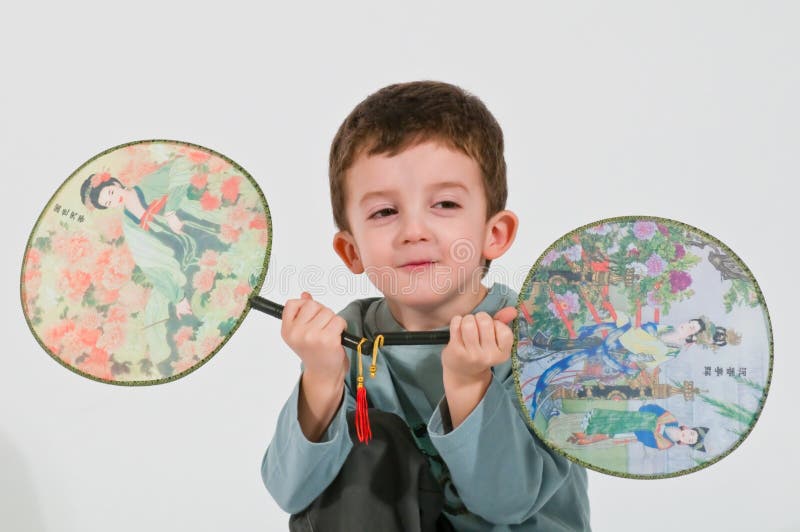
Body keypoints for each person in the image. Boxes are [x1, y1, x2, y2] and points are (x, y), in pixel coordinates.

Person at [261, 82, 590, 531]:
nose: (414, 230)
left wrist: (470, 385)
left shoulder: (536, 340)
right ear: (351, 251)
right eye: (384, 213)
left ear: (494, 234)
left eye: (445, 204)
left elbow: (508, 503)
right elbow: (291, 491)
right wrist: (322, 376)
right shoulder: (348, 335)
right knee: (365, 447)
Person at [80, 159, 229, 376]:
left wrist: (171, 211)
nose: (114, 200)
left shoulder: (146, 185)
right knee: (162, 312)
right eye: (108, 203)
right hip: (176, 256)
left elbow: (181, 166)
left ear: (115, 183)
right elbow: (150, 262)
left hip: (194, 226)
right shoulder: (129, 224)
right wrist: (177, 297)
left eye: (111, 193)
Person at [546, 404, 709, 453]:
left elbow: (646, 440)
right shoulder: (670, 418)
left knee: (594, 437)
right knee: (595, 419)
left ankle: (561, 440)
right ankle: (560, 418)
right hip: (627, 419)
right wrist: (647, 419)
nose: (688, 436)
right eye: (691, 434)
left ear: (685, 443)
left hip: (628, 434)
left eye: (690, 440)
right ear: (687, 428)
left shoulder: (666, 444)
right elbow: (649, 407)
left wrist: (648, 426)